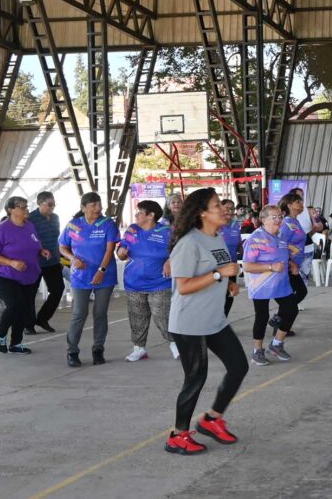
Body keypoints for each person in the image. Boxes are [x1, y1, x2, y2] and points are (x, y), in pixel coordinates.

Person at [164, 188, 247, 455]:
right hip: (189, 322)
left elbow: (222, 270)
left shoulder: (217, 237)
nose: (223, 209)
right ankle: (178, 435)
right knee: (195, 377)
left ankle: (211, 419)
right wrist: (218, 275)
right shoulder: (189, 243)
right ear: (201, 213)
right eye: (216, 205)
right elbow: (184, 286)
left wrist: (229, 282)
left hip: (214, 319)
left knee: (238, 366)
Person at [0, 196, 51, 355]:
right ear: (11, 210)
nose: (26, 209)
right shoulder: (2, 229)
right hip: (6, 275)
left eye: (26, 206)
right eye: (22, 207)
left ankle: (16, 343)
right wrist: (11, 262)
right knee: (15, 305)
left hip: (28, 275)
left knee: (24, 309)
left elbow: (35, 244)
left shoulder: (29, 226)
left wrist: (42, 251)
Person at [60, 192, 119, 367]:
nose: (98, 208)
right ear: (83, 207)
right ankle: (72, 351)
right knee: (79, 313)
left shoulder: (107, 224)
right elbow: (62, 246)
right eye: (93, 205)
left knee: (100, 314)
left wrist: (101, 270)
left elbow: (110, 250)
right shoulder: (73, 226)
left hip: (104, 275)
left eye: (99, 205)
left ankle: (98, 349)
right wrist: (72, 258)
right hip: (80, 276)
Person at [118, 200, 176, 362]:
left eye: (139, 212)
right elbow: (121, 250)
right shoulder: (131, 230)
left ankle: (174, 344)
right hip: (134, 282)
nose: (136, 215)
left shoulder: (166, 231)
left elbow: (179, 249)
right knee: (137, 318)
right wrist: (121, 252)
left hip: (159, 282)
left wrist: (170, 261)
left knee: (162, 315)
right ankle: (139, 348)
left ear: (151, 215)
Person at [244, 205, 297, 366]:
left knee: (291, 309)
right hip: (261, 285)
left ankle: (276, 344)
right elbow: (247, 266)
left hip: (281, 284)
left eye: (280, 216)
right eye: (274, 217)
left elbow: (282, 256)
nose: (278, 220)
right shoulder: (255, 238)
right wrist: (270, 267)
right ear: (263, 219)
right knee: (262, 316)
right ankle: (257, 350)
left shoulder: (280, 237)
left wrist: (292, 263)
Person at [29, 191, 64, 333]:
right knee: (30, 294)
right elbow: (28, 239)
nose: (52, 208)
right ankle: (28, 324)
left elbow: (56, 238)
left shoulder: (55, 218)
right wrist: (39, 249)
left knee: (57, 289)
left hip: (53, 261)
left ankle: (43, 318)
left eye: (54, 205)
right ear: (39, 203)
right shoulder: (30, 218)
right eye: (49, 205)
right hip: (35, 261)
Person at [272, 193, 306, 336]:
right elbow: (280, 244)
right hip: (286, 266)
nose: (301, 204)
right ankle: (280, 321)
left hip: (293, 265)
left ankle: (279, 323)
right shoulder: (286, 223)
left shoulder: (295, 221)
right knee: (299, 292)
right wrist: (291, 263)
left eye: (301, 201)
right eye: (298, 202)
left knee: (293, 294)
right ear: (289, 205)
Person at [218, 199, 242, 317]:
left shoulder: (235, 225)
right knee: (218, 297)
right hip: (217, 267)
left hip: (231, 266)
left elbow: (239, 245)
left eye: (232, 208)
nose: (230, 211)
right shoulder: (215, 225)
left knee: (229, 296)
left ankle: (222, 321)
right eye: (226, 208)